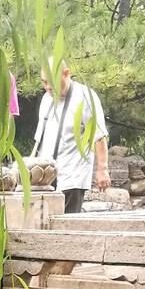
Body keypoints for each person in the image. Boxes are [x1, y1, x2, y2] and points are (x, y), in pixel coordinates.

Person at [33, 59, 110, 214]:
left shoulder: (85, 96)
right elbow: (40, 139)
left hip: (72, 176)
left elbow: (99, 136)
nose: (48, 87)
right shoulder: (46, 99)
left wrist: (102, 169)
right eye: (44, 82)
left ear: (66, 73)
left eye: (51, 82)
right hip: (45, 178)